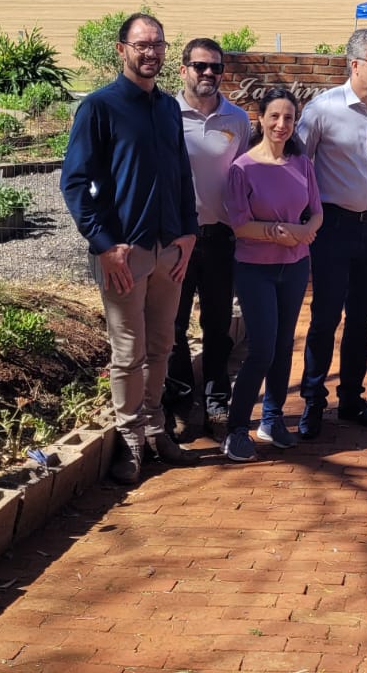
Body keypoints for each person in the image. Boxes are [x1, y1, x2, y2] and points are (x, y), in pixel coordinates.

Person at [60, 12, 199, 484]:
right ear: (122, 49)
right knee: (128, 352)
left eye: (157, 44)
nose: (151, 52)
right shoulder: (99, 107)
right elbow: (74, 183)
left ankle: (157, 430)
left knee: (163, 346)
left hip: (168, 249)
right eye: (142, 44)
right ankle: (130, 439)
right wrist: (103, 245)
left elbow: (181, 173)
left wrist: (188, 233)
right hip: (123, 253)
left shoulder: (168, 108)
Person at [295, 27, 367, 438]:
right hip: (333, 227)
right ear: (355, 64)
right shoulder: (321, 109)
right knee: (325, 317)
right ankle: (312, 401)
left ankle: (352, 400)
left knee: (361, 319)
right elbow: (298, 165)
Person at [221, 88, 322, 462]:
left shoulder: (302, 164)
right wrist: (282, 232)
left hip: (294, 267)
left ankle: (272, 419)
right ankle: (236, 429)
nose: (282, 124)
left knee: (282, 345)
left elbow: (317, 212)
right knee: (262, 348)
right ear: (261, 119)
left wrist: (304, 231)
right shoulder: (242, 168)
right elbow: (239, 224)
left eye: (289, 118)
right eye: (275, 116)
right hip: (255, 269)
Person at [165, 37, 249, 441]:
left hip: (220, 239)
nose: (209, 73)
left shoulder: (237, 119)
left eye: (216, 67)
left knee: (217, 327)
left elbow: (244, 175)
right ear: (183, 69)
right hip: (175, 240)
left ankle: (217, 403)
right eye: (201, 66)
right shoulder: (165, 114)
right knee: (173, 326)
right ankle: (183, 403)